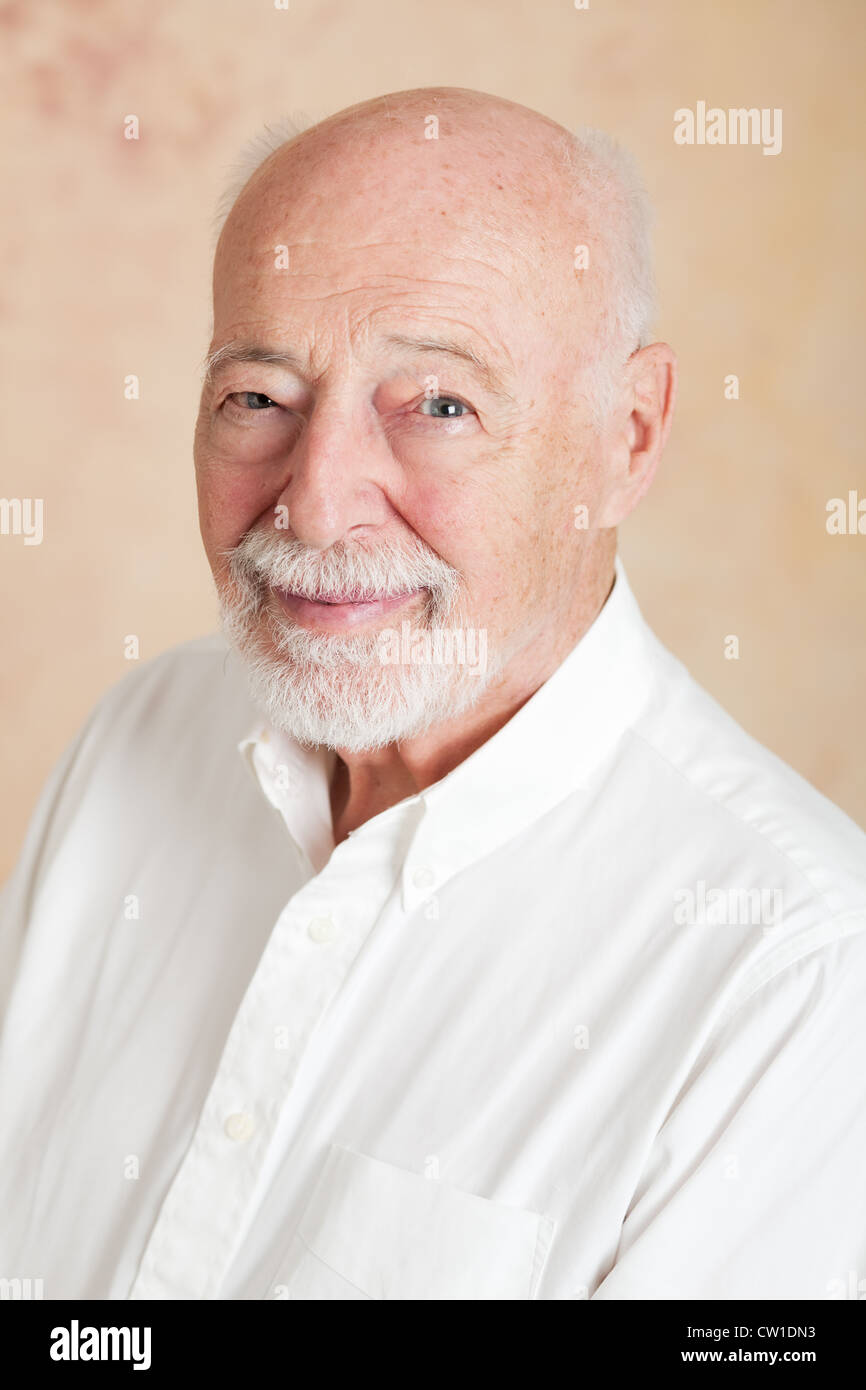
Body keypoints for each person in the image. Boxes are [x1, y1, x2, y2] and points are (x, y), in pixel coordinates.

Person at [1, 86, 864, 1302]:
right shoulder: (137, 743)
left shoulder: (799, 980)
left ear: (626, 435)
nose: (316, 499)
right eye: (258, 397)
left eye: (439, 405)